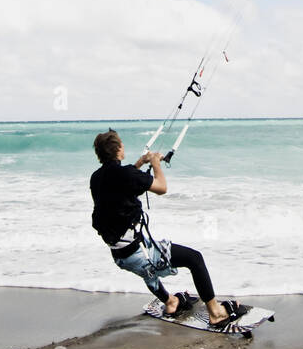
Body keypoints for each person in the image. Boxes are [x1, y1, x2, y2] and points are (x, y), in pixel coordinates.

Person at [89, 128, 249, 332]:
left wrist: (139, 163)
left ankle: (170, 302)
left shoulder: (97, 178)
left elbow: (119, 185)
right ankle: (216, 313)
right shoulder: (126, 175)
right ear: (118, 149)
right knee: (195, 259)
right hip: (139, 253)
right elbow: (161, 187)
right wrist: (155, 164)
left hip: (120, 254)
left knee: (146, 270)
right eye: (121, 143)